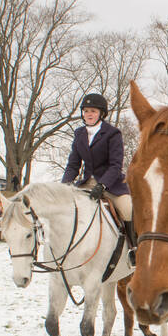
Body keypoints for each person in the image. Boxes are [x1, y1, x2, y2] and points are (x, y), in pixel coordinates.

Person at [61, 92, 133, 232]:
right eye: (86, 111)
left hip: (111, 185)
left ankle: (133, 248)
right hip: (87, 183)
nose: (89, 114)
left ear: (101, 113)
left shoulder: (113, 133)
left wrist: (102, 185)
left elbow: (115, 166)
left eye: (93, 111)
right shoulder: (79, 134)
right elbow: (73, 165)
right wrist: (64, 187)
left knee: (128, 209)